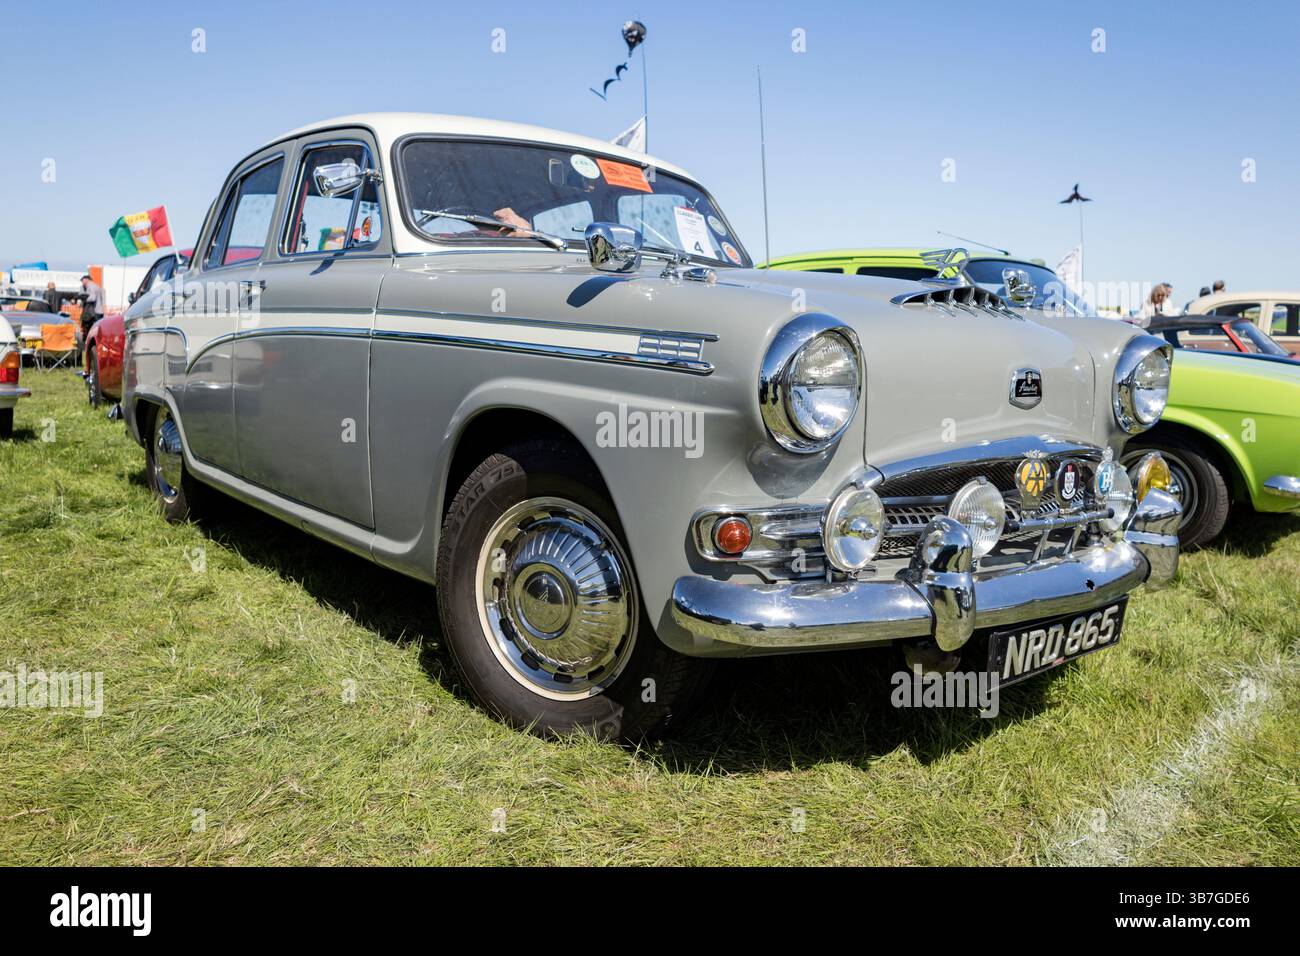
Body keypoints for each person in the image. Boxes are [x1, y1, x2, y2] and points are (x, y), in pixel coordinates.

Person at [79, 274, 106, 339]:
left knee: (93, 328)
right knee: (97, 328)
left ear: (86, 280)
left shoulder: (91, 286)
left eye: (82, 281)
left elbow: (93, 298)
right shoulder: (95, 286)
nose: (82, 283)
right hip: (98, 311)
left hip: (95, 312)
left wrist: (84, 299)